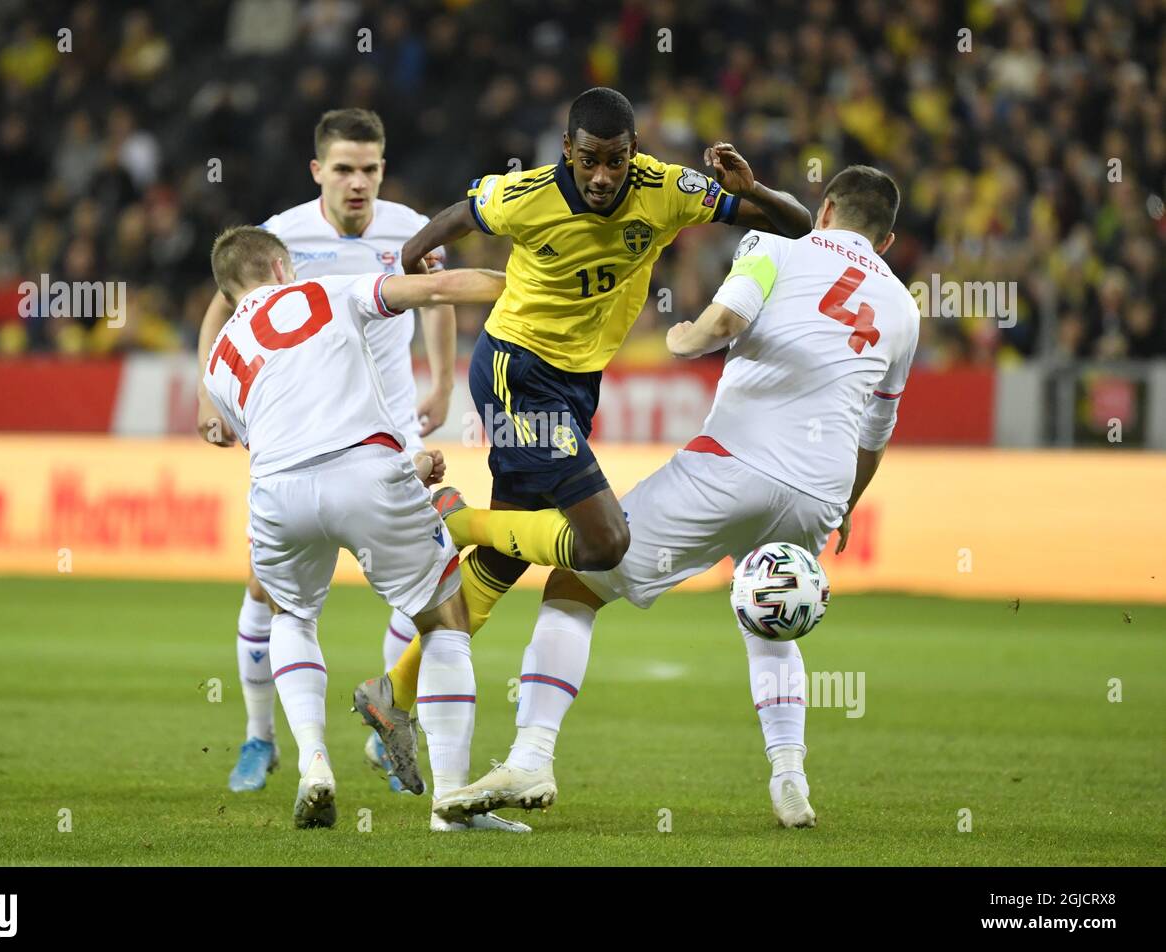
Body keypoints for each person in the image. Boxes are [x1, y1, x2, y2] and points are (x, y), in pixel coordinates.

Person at [433, 165, 918, 830]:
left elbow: (722, 320)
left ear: (825, 208)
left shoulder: (776, 247)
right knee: (767, 612)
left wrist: (680, 337)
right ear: (886, 241)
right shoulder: (904, 307)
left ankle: (530, 754)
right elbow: (877, 428)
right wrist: (848, 505)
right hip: (821, 486)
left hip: (736, 461)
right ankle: (789, 777)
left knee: (577, 581)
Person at [355, 87, 814, 783]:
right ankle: (457, 515)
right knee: (604, 540)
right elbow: (463, 213)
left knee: (511, 553)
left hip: (575, 382)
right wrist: (408, 260)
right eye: (590, 161)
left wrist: (755, 189)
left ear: (634, 153)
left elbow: (801, 225)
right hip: (516, 370)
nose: (603, 177)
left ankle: (393, 693)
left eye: (617, 161)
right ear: (568, 152)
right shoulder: (530, 194)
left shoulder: (666, 189)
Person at [201, 225, 526, 832]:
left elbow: (294, 441)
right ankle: (452, 804)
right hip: (365, 473)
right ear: (279, 269)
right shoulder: (328, 289)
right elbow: (443, 288)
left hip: (277, 493)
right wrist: (533, 290)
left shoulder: (219, 362)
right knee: (443, 618)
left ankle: (314, 765)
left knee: (291, 618)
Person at [194, 109, 457, 793]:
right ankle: (259, 737)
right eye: (343, 168)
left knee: (419, 594)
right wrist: (207, 394)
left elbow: (436, 296)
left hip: (390, 429)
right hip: (306, 432)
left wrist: (443, 382)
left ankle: (390, 725)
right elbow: (223, 308)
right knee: (266, 587)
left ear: (383, 170)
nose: (358, 182)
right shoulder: (281, 234)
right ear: (318, 171)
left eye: (370, 168)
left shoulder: (408, 226)